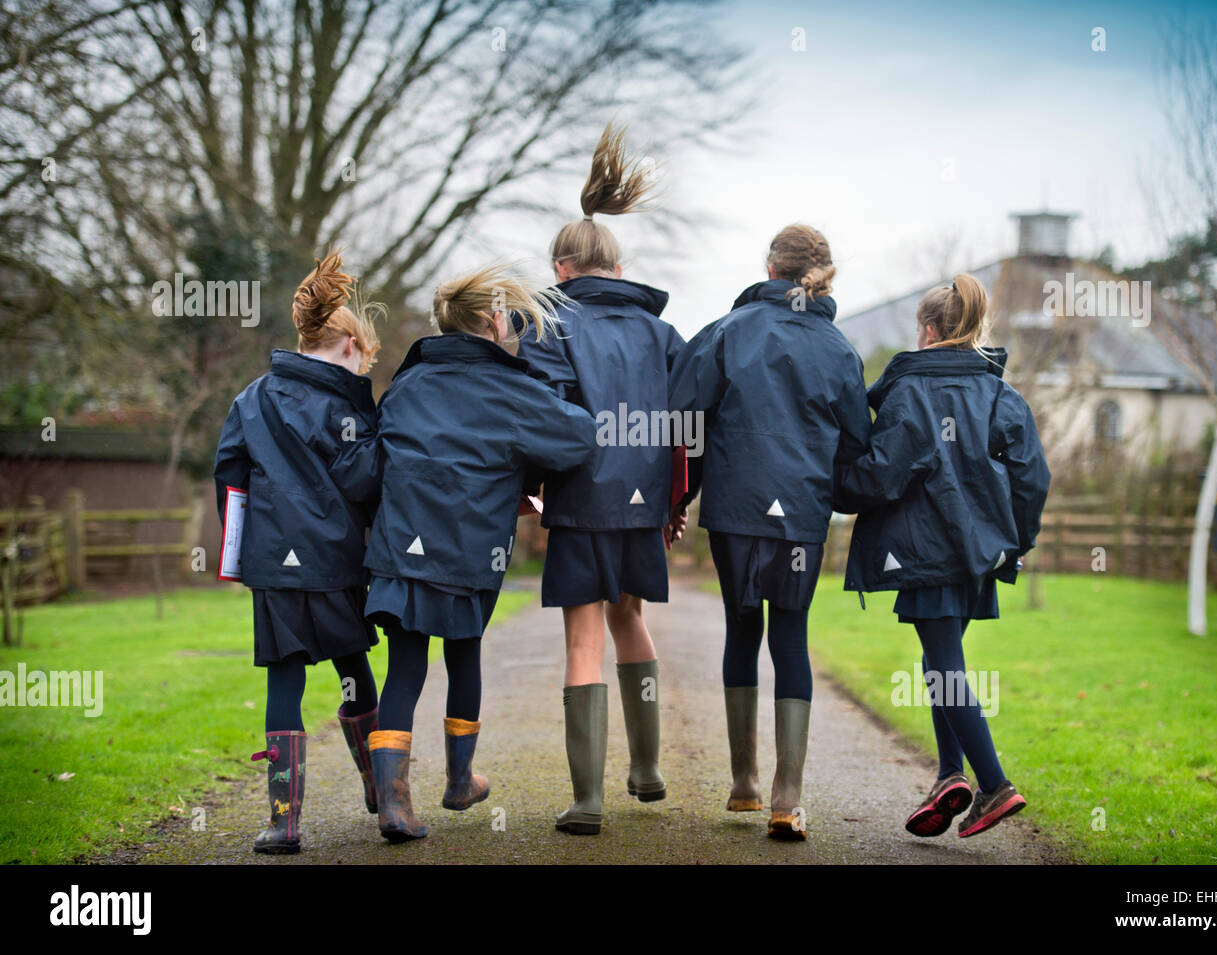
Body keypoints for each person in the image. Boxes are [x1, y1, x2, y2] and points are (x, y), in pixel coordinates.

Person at [362, 264, 598, 843]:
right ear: (495, 321)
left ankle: (394, 804)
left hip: (400, 549)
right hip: (469, 555)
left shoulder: (408, 384)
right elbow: (579, 437)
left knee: (405, 668)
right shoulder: (511, 389)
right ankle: (460, 779)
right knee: (464, 656)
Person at [667, 224, 871, 840]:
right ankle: (788, 797)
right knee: (791, 637)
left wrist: (681, 494)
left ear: (770, 267)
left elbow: (684, 422)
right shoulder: (839, 349)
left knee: (741, 626)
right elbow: (857, 442)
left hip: (734, 511)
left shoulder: (726, 333)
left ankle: (743, 784)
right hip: (803, 517)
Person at [836, 273, 1050, 838]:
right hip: (977, 552)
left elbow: (882, 475)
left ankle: (995, 785)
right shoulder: (1002, 394)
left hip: (926, 549)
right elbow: (1033, 478)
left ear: (927, 332)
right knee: (943, 661)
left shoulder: (910, 392)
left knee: (946, 667)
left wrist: (831, 485)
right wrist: (1014, 545)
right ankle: (950, 776)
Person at [518, 123, 685, 836]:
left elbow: (540, 417)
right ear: (616, 269)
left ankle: (587, 799)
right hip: (644, 503)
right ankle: (646, 767)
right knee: (632, 620)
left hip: (581, 502)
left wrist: (530, 485)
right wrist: (676, 500)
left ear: (562, 269)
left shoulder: (546, 326)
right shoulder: (664, 335)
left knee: (583, 639)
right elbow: (687, 424)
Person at [213, 250, 384, 854]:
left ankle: (284, 821)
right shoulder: (345, 407)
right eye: (364, 359)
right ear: (348, 348)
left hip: (273, 567)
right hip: (336, 564)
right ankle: (384, 793)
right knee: (353, 671)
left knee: (283, 684)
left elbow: (230, 479)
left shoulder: (250, 400)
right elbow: (365, 484)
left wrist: (241, 556)